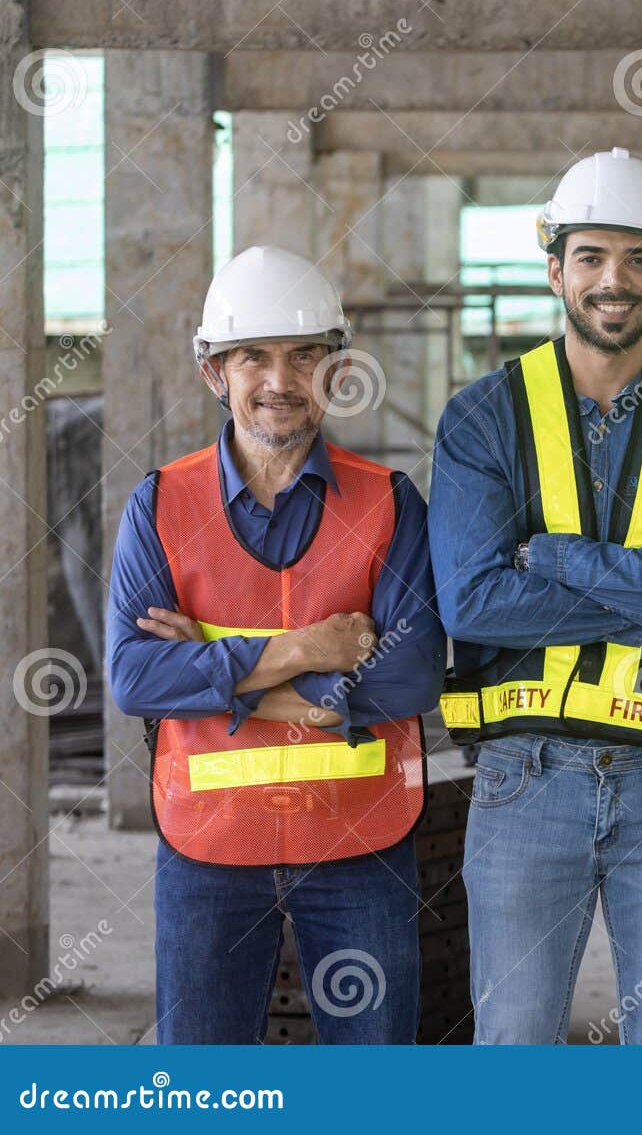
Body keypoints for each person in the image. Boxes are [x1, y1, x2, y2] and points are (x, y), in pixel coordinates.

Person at [430, 148, 642, 1044]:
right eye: (591, 257)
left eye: (638, 258)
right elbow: (472, 603)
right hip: (522, 779)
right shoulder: (481, 416)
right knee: (514, 1048)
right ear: (555, 267)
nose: (614, 280)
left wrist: (557, 557)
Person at [106, 245, 445, 1044]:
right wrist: (304, 649)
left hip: (362, 841)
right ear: (212, 371)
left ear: (336, 368)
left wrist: (228, 682)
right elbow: (132, 675)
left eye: (305, 355)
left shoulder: (390, 502)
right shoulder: (159, 503)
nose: (279, 379)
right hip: (208, 844)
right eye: (251, 355)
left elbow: (415, 672)